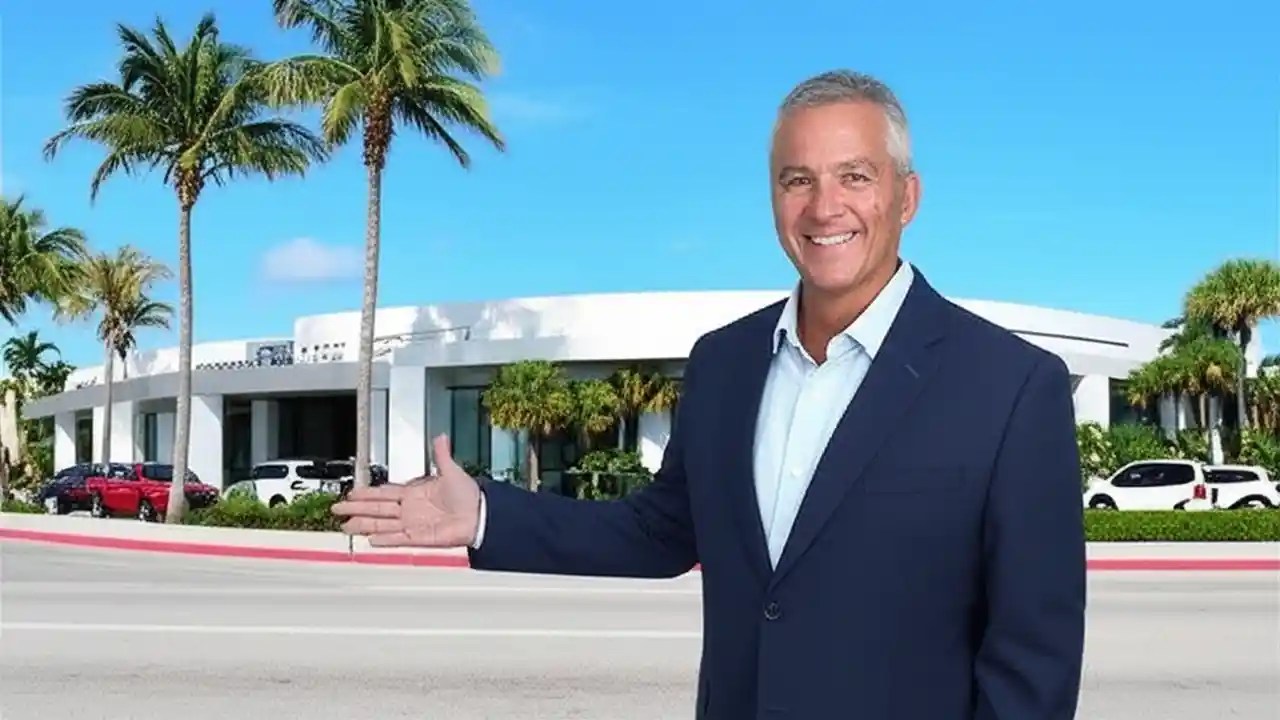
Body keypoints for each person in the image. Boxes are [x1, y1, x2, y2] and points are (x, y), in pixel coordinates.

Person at [333, 69, 1087, 720]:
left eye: (855, 176)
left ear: (907, 196)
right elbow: (660, 533)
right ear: (773, 197)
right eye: (798, 180)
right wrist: (488, 516)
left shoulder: (1011, 386)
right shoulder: (725, 363)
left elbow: (1034, 664)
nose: (825, 207)